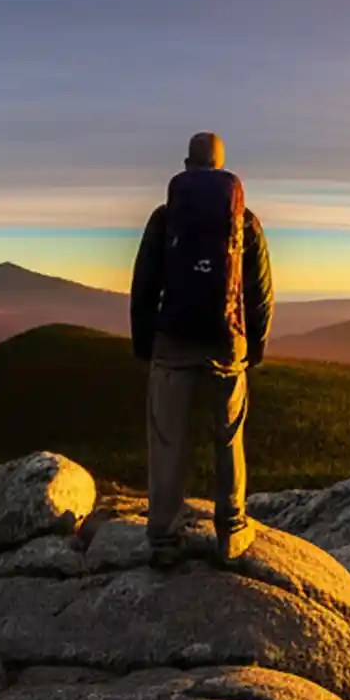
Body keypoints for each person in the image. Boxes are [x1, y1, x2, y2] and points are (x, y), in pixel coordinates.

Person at [129, 132, 274, 566]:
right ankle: (231, 530)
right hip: (227, 345)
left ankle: (164, 540)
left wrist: (145, 345)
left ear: (187, 165)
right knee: (228, 437)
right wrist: (255, 348)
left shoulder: (164, 215)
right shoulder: (242, 218)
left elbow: (144, 286)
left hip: (172, 343)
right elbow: (260, 291)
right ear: (223, 166)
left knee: (168, 439)